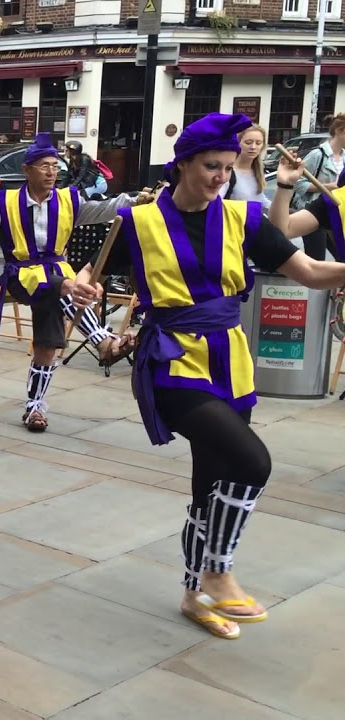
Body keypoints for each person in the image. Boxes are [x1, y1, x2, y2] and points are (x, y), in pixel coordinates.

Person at [72, 112, 345, 639]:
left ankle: (194, 592)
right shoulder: (137, 222)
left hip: (229, 360)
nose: (221, 176)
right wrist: (79, 287)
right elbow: (84, 272)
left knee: (211, 484)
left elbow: (309, 273)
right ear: (182, 165)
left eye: (227, 166)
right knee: (252, 461)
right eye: (210, 166)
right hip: (171, 362)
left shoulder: (244, 219)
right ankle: (219, 570)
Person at [0, 132, 144, 432]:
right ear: (27, 170)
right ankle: (102, 340)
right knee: (67, 286)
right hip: (21, 277)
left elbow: (106, 207)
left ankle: (35, 407)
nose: (52, 172)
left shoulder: (69, 201)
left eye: (55, 166)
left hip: (56, 280)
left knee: (48, 342)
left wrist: (138, 199)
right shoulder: (8, 203)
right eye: (44, 166)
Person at [288, 113, 345, 260]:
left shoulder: (344, 156)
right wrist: (328, 187)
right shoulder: (317, 155)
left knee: (340, 258)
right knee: (316, 258)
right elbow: (299, 183)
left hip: (337, 213)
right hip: (315, 211)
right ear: (340, 131)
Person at [219, 125, 269, 209]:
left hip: (256, 219)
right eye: (248, 142)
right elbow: (217, 203)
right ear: (238, 143)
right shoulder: (228, 172)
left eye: (258, 143)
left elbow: (261, 200)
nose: (253, 147)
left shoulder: (258, 171)